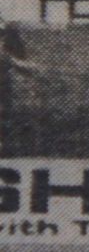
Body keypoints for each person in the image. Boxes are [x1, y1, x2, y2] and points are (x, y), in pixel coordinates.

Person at [0, 24, 39, 157]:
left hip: (4, 84)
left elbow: (19, 63)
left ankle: (5, 145)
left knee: (5, 113)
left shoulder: (7, 49)